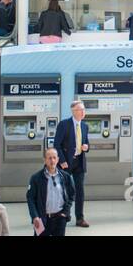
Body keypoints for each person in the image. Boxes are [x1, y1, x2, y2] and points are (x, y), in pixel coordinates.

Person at [52, 99, 90, 228]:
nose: (83, 112)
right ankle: (65, 214)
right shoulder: (64, 125)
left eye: (84, 109)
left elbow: (86, 143)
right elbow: (56, 144)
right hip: (66, 163)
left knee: (80, 191)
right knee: (65, 190)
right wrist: (61, 160)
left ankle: (80, 218)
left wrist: (86, 147)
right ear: (73, 111)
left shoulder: (85, 126)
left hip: (79, 162)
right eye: (80, 109)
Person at [26, 147, 72, 237]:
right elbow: (30, 198)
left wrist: (65, 212)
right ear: (45, 160)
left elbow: (71, 194)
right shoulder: (36, 178)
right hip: (42, 220)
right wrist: (35, 216)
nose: (52, 160)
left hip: (60, 219)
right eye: (49, 158)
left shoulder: (65, 177)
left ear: (58, 159)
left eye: (54, 157)